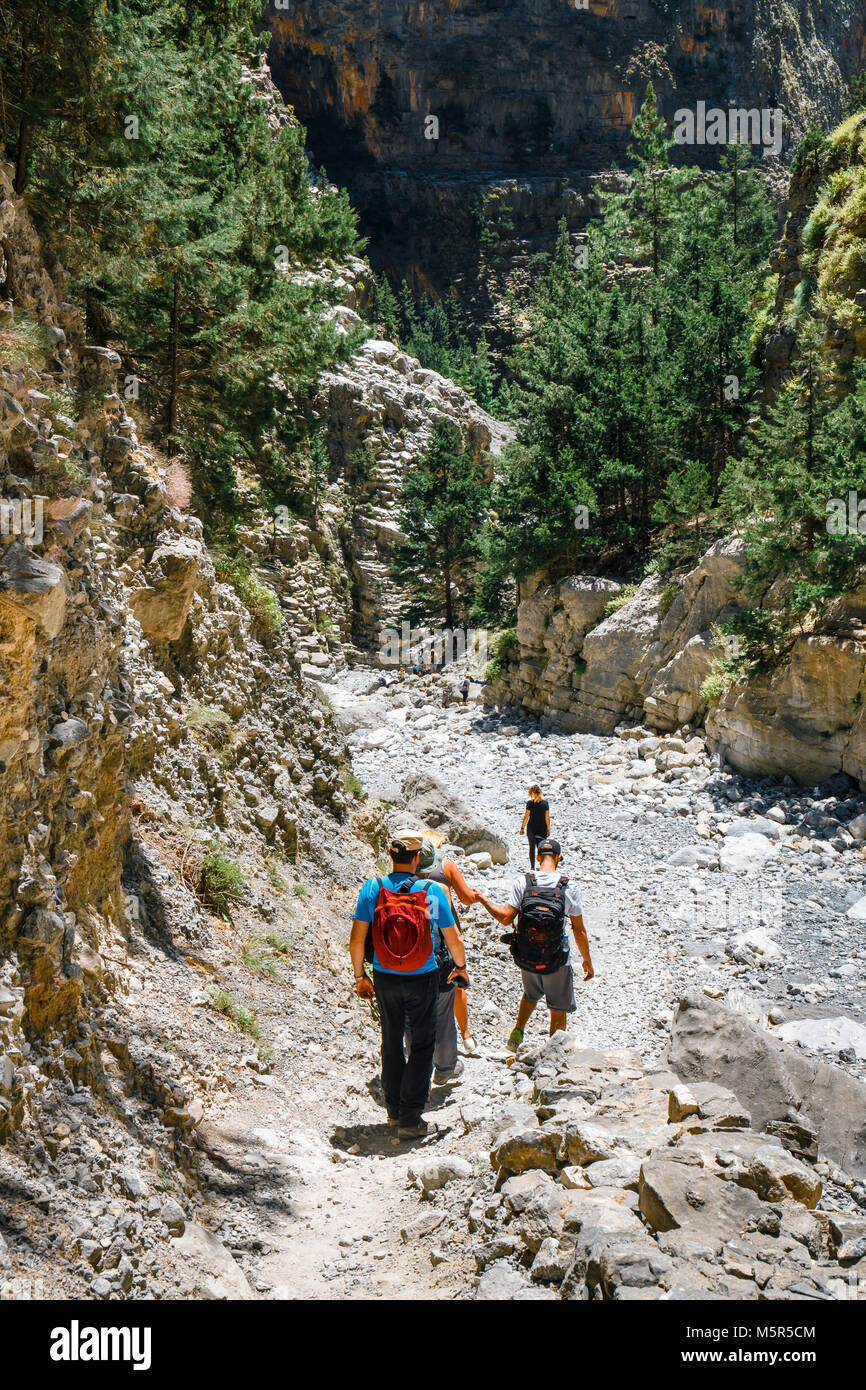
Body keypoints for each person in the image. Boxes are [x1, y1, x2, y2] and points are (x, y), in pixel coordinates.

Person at [350, 831, 469, 1139]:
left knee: (390, 1041)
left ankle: (393, 1111)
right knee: (421, 1045)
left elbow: (356, 940)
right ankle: (411, 1119)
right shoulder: (432, 891)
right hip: (423, 976)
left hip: (385, 976)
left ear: (391, 856)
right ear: (418, 859)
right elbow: (453, 938)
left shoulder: (372, 888)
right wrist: (461, 968)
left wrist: (360, 977)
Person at [474, 838, 593, 1052]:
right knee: (557, 1007)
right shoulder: (569, 886)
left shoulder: (524, 882)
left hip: (527, 955)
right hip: (556, 958)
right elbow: (579, 930)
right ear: (559, 858)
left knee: (530, 995)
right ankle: (552, 1054)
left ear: (537, 857)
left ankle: (517, 1033)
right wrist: (587, 960)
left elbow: (505, 917)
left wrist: (484, 900)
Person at [417, 840, 478, 1067]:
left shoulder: (404, 871)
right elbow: (466, 898)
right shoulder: (446, 865)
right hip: (446, 927)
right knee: (455, 980)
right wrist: (478, 896)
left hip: (416, 936)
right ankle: (465, 1035)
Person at [520, 784, 550, 869]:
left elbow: (526, 817)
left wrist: (522, 827)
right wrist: (548, 829)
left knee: (532, 847)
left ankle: (532, 867)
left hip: (531, 828)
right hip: (542, 828)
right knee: (542, 848)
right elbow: (547, 818)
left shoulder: (530, 803)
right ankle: (542, 866)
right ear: (540, 792)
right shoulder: (545, 803)